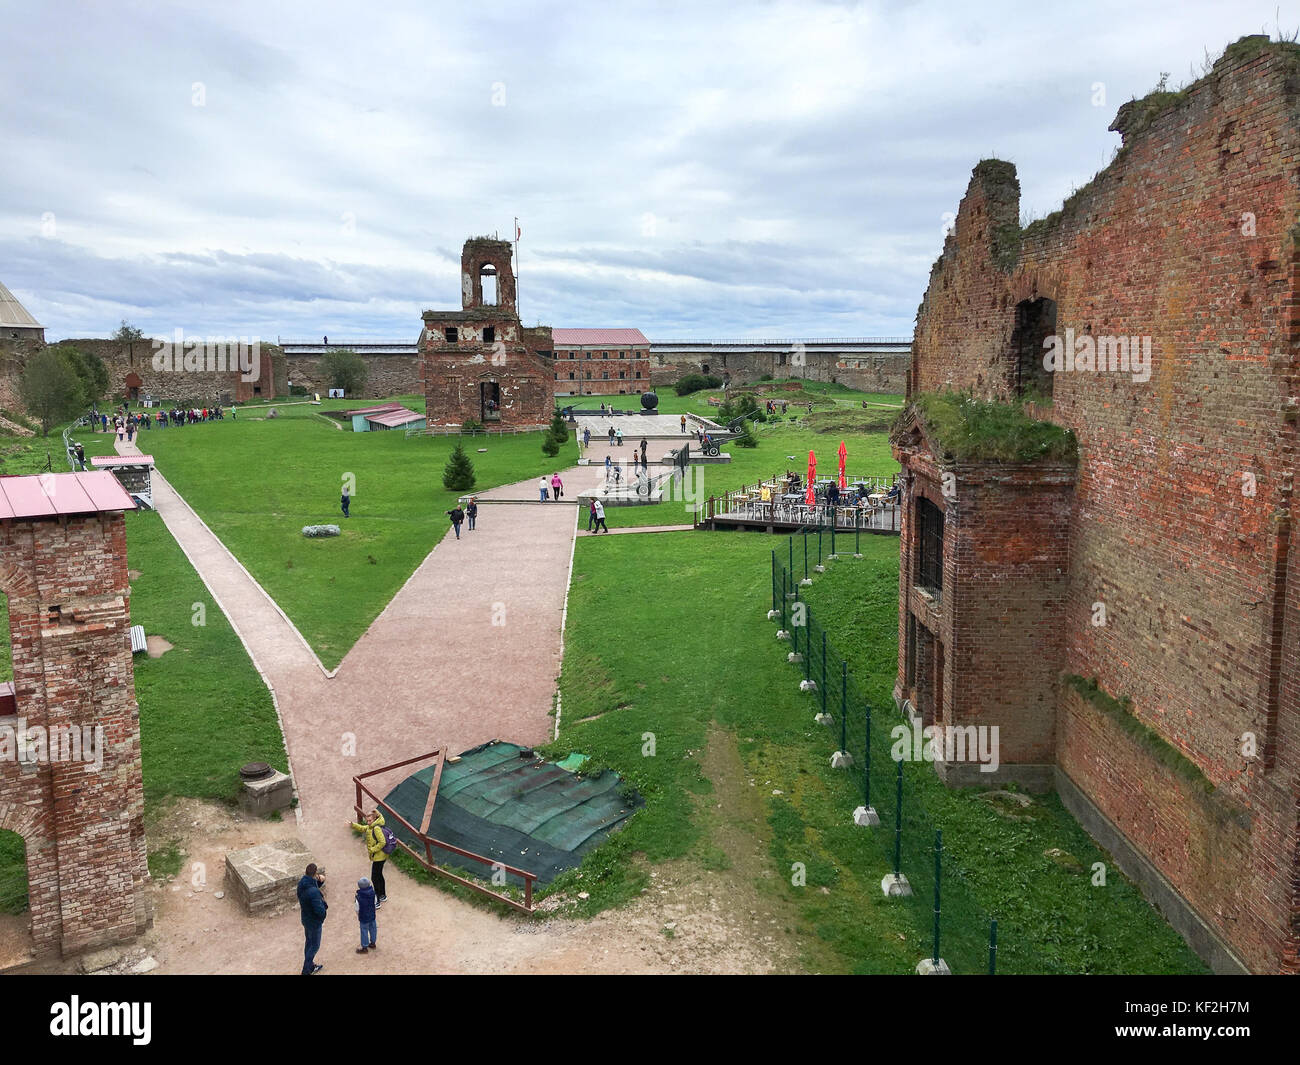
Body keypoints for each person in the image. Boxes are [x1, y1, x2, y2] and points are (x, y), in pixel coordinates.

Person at [347, 809, 389, 905]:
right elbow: (363, 828)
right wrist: (353, 824)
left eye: (370, 821)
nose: (368, 822)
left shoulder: (376, 828)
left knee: (374, 878)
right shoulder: (371, 827)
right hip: (381, 856)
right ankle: (383, 895)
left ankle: (377, 900)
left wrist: (372, 849)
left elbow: (382, 842)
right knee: (379, 875)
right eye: (367, 821)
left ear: (375, 819)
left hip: (379, 857)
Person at [297, 863, 328, 975]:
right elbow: (319, 910)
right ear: (315, 874)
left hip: (305, 918)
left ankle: (310, 966)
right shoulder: (314, 892)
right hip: (314, 922)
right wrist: (323, 914)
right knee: (315, 946)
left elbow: (311, 889)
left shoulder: (301, 884)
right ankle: (306, 970)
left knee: (309, 943)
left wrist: (319, 880)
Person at [355, 877, 378, 954]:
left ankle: (364, 947)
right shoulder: (373, 893)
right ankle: (373, 943)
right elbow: (375, 903)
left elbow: (357, 909)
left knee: (364, 931)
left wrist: (359, 915)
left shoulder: (358, 897)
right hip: (372, 915)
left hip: (363, 917)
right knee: (373, 928)